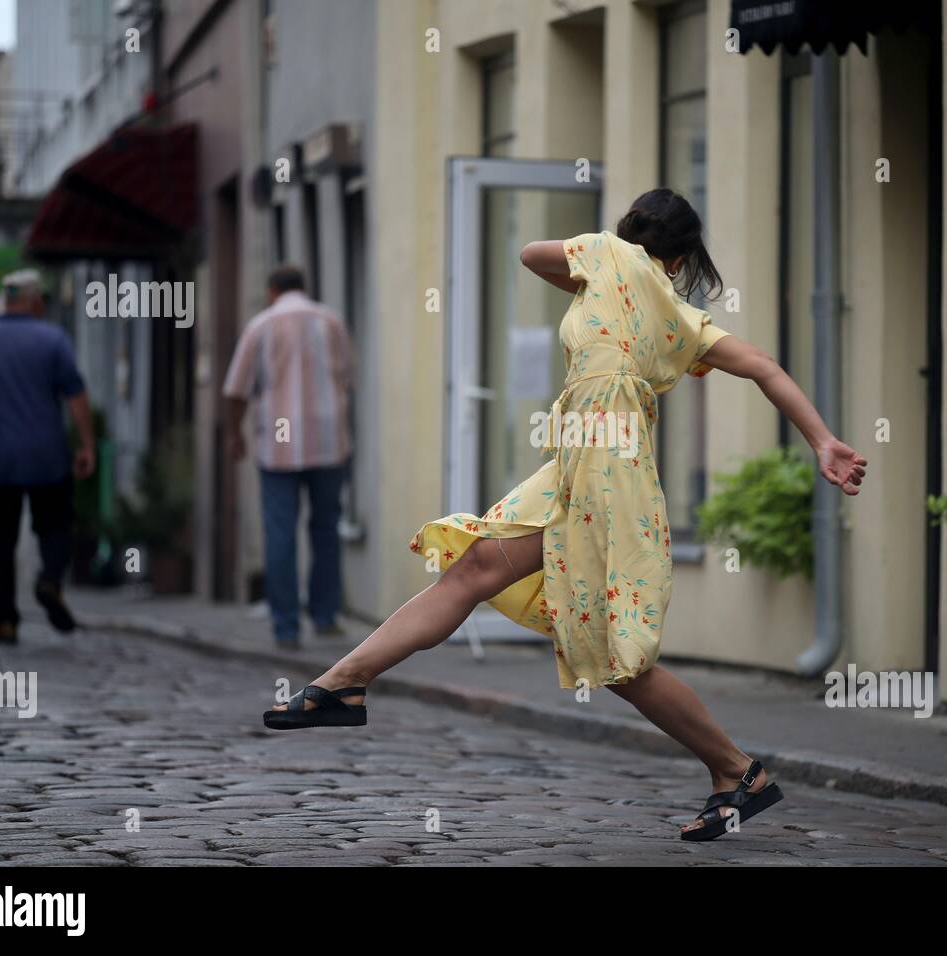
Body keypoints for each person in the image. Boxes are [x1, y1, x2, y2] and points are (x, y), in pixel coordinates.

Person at [263, 189, 868, 841]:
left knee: (614, 659)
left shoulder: (606, 259)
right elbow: (764, 368)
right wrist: (822, 440)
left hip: (606, 476)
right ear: (683, 257)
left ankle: (736, 771)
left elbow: (530, 253)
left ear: (630, 234)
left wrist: (597, 253)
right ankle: (344, 684)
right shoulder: (677, 316)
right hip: (580, 468)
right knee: (474, 571)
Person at [0, 269, 95, 643]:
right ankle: (49, 580)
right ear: (35, 301)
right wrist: (87, 445)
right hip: (47, 456)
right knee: (55, 528)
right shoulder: (53, 339)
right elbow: (75, 395)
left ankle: (5, 621)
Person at [223, 265, 356, 647]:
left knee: (280, 533)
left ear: (271, 291)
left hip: (278, 448)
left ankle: (286, 626)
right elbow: (349, 379)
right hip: (329, 442)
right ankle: (326, 615)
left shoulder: (261, 326)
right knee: (326, 528)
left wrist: (234, 434)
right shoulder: (331, 322)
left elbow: (236, 389)